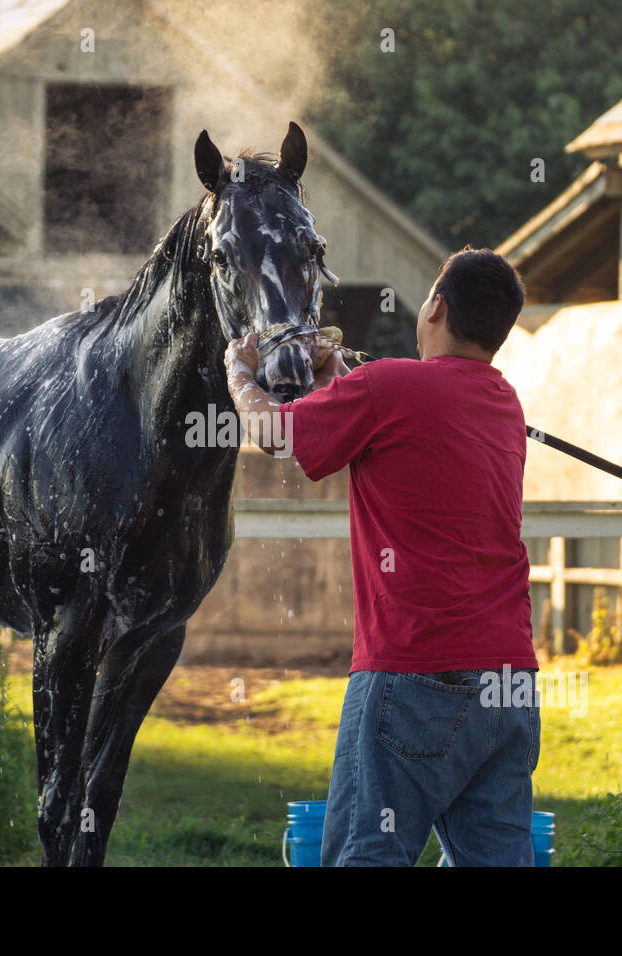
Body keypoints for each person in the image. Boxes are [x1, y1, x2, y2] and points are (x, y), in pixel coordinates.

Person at [224, 247, 538, 866]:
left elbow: (275, 432)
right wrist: (336, 379)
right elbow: (400, 426)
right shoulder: (505, 403)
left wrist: (238, 372)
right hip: (509, 686)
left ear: (436, 307)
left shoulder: (389, 385)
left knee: (367, 856)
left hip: (413, 674)